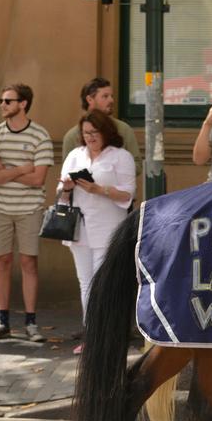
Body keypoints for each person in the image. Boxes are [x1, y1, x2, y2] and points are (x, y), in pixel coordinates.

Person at [58, 110, 136, 354]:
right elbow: (60, 192)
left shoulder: (121, 157)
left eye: (94, 132)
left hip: (109, 227)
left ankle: (110, 337)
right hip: (79, 227)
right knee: (85, 283)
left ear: (106, 132)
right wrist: (67, 187)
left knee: (106, 283)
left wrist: (98, 189)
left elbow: (127, 194)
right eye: (86, 133)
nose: (90, 137)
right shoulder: (75, 155)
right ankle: (91, 335)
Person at [0, 84, 53, 342]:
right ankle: (2, 322)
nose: (2, 105)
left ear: (23, 104)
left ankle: (31, 323)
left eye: (8, 101)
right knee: (2, 262)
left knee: (28, 263)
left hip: (30, 208)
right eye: (1, 100)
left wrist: (6, 170)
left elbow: (39, 179)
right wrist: (21, 169)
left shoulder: (40, 136)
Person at [62, 78, 141, 174]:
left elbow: (137, 165)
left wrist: (112, 173)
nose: (111, 100)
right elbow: (68, 171)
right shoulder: (72, 136)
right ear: (90, 99)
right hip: (85, 188)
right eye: (105, 96)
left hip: (116, 188)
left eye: (111, 96)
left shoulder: (124, 129)